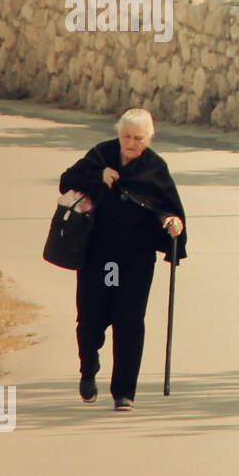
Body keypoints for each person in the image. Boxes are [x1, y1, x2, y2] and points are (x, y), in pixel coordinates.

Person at [58, 108, 188, 412]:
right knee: (90, 319)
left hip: (135, 258)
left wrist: (173, 223)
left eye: (138, 138)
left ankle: (124, 392)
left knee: (130, 321)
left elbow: (169, 207)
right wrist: (97, 176)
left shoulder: (156, 167)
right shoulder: (102, 154)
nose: (131, 143)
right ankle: (88, 369)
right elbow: (67, 180)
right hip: (98, 256)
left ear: (150, 137)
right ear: (119, 134)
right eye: (126, 136)